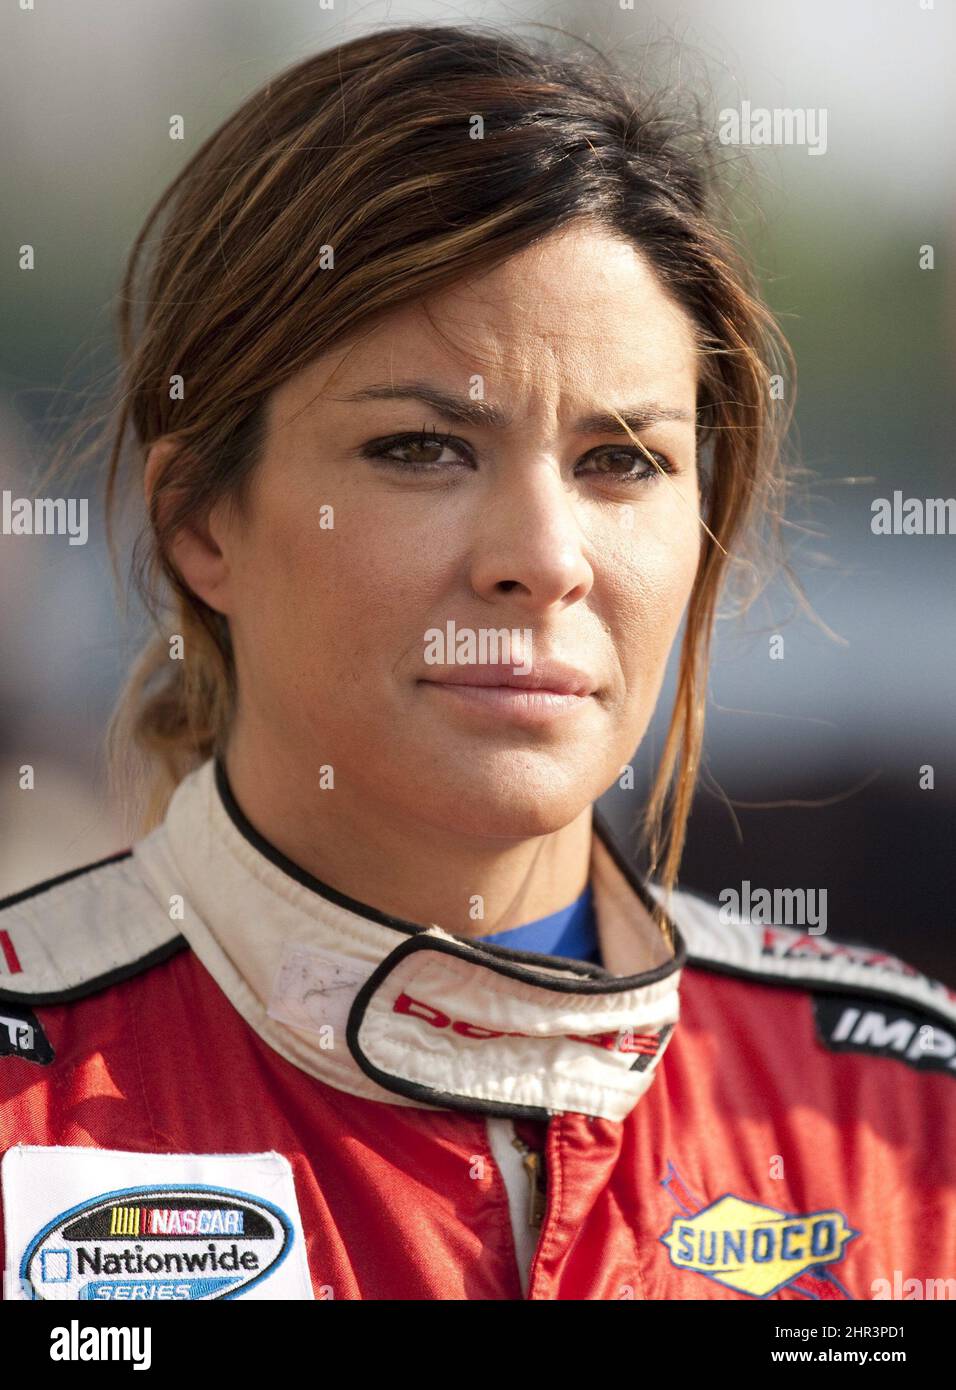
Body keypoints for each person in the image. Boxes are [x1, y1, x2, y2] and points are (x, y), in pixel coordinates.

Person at [1, 24, 953, 1303]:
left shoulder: (902, 1122)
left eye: (621, 462)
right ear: (200, 520)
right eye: (419, 449)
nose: (542, 558)